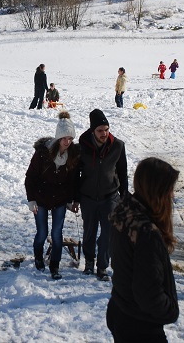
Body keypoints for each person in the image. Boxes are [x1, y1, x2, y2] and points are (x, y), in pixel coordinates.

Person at [107, 157, 180, 342]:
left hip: (121, 311)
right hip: (140, 329)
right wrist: (169, 310)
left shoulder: (124, 213)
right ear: (156, 191)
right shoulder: (146, 233)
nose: (172, 195)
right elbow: (148, 294)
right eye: (169, 189)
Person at [24, 111, 81, 280]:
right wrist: (31, 199)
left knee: (57, 233)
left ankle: (54, 265)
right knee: (42, 232)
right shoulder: (43, 153)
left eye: (70, 138)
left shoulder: (72, 155)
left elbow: (73, 180)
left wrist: (73, 200)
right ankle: (38, 257)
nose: (67, 142)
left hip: (60, 199)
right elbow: (30, 177)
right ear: (58, 138)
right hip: (40, 197)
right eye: (65, 138)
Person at [76, 109, 128, 281]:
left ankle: (102, 266)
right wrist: (75, 198)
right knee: (89, 232)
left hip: (110, 196)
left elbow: (122, 171)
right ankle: (89, 261)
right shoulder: (82, 145)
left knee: (108, 234)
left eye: (106, 129)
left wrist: (124, 197)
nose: (104, 133)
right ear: (93, 131)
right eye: (100, 130)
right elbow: (76, 173)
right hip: (88, 197)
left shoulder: (118, 146)